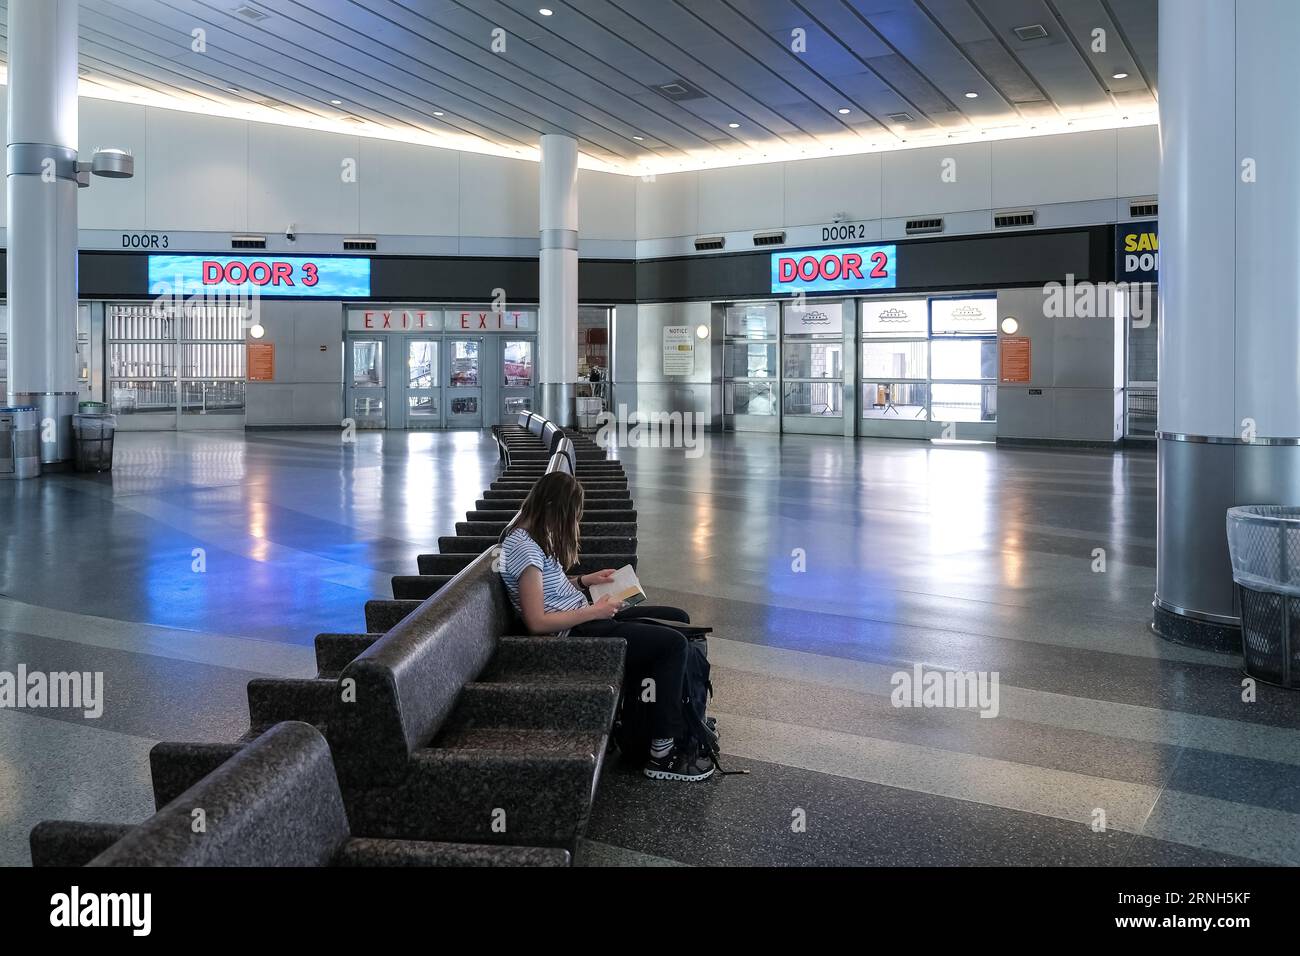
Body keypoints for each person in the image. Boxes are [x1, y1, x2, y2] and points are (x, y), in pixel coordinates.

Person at [498, 471, 712, 782]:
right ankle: (662, 752)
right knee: (673, 645)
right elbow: (537, 622)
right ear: (555, 509)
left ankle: (684, 712)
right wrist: (595, 612)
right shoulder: (526, 550)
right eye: (572, 516)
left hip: (583, 616)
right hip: (575, 634)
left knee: (677, 617)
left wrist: (586, 580)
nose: (572, 524)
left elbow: (544, 589)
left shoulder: (527, 535)